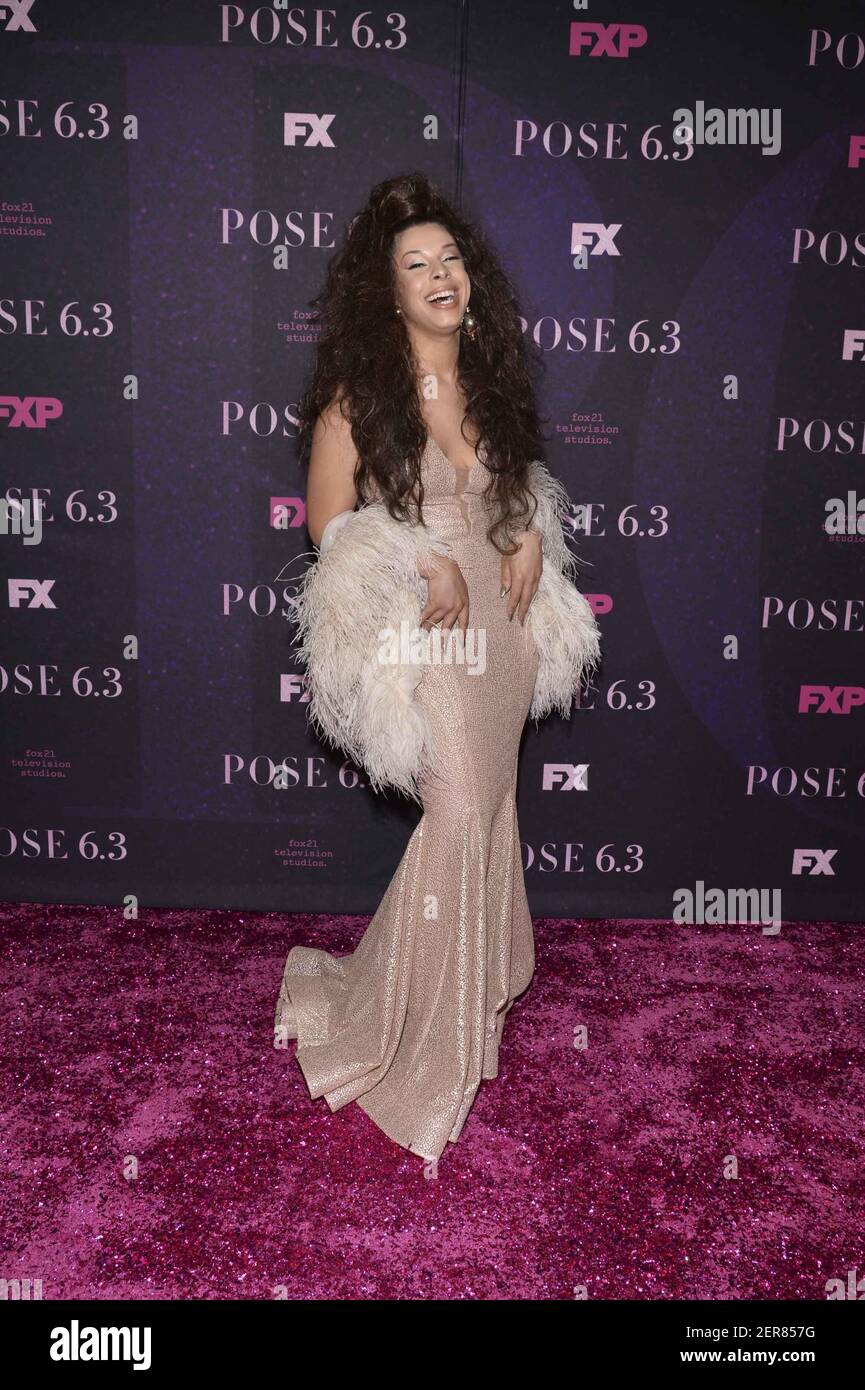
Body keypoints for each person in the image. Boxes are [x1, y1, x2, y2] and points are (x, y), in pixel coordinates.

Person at [274, 171, 596, 1164]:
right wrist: (419, 555)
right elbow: (328, 521)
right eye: (415, 265)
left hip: (500, 630)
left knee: (490, 807)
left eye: (449, 257)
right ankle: (408, 1033)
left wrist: (535, 530)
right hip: (426, 629)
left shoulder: (491, 382)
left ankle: (470, 989)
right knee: (457, 810)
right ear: (389, 292)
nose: (438, 274)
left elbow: (512, 494)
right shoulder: (356, 394)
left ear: (471, 278)